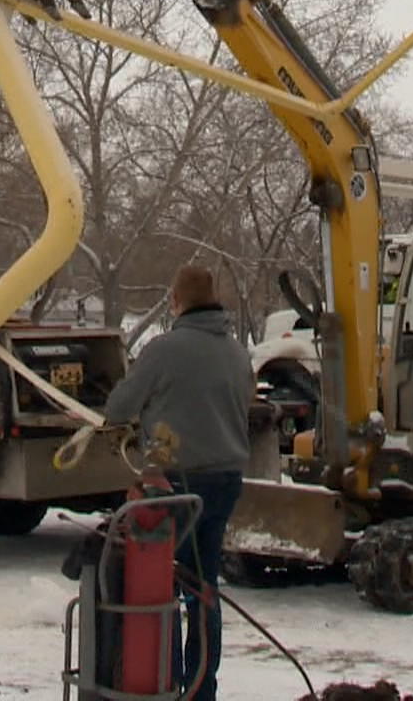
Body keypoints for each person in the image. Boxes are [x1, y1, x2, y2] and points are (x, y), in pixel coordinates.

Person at [102, 266, 250, 701]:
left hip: (176, 484)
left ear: (177, 302)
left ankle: (162, 683)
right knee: (204, 589)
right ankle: (202, 689)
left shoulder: (164, 349)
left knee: (161, 586)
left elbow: (118, 407)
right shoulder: (239, 353)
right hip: (226, 481)